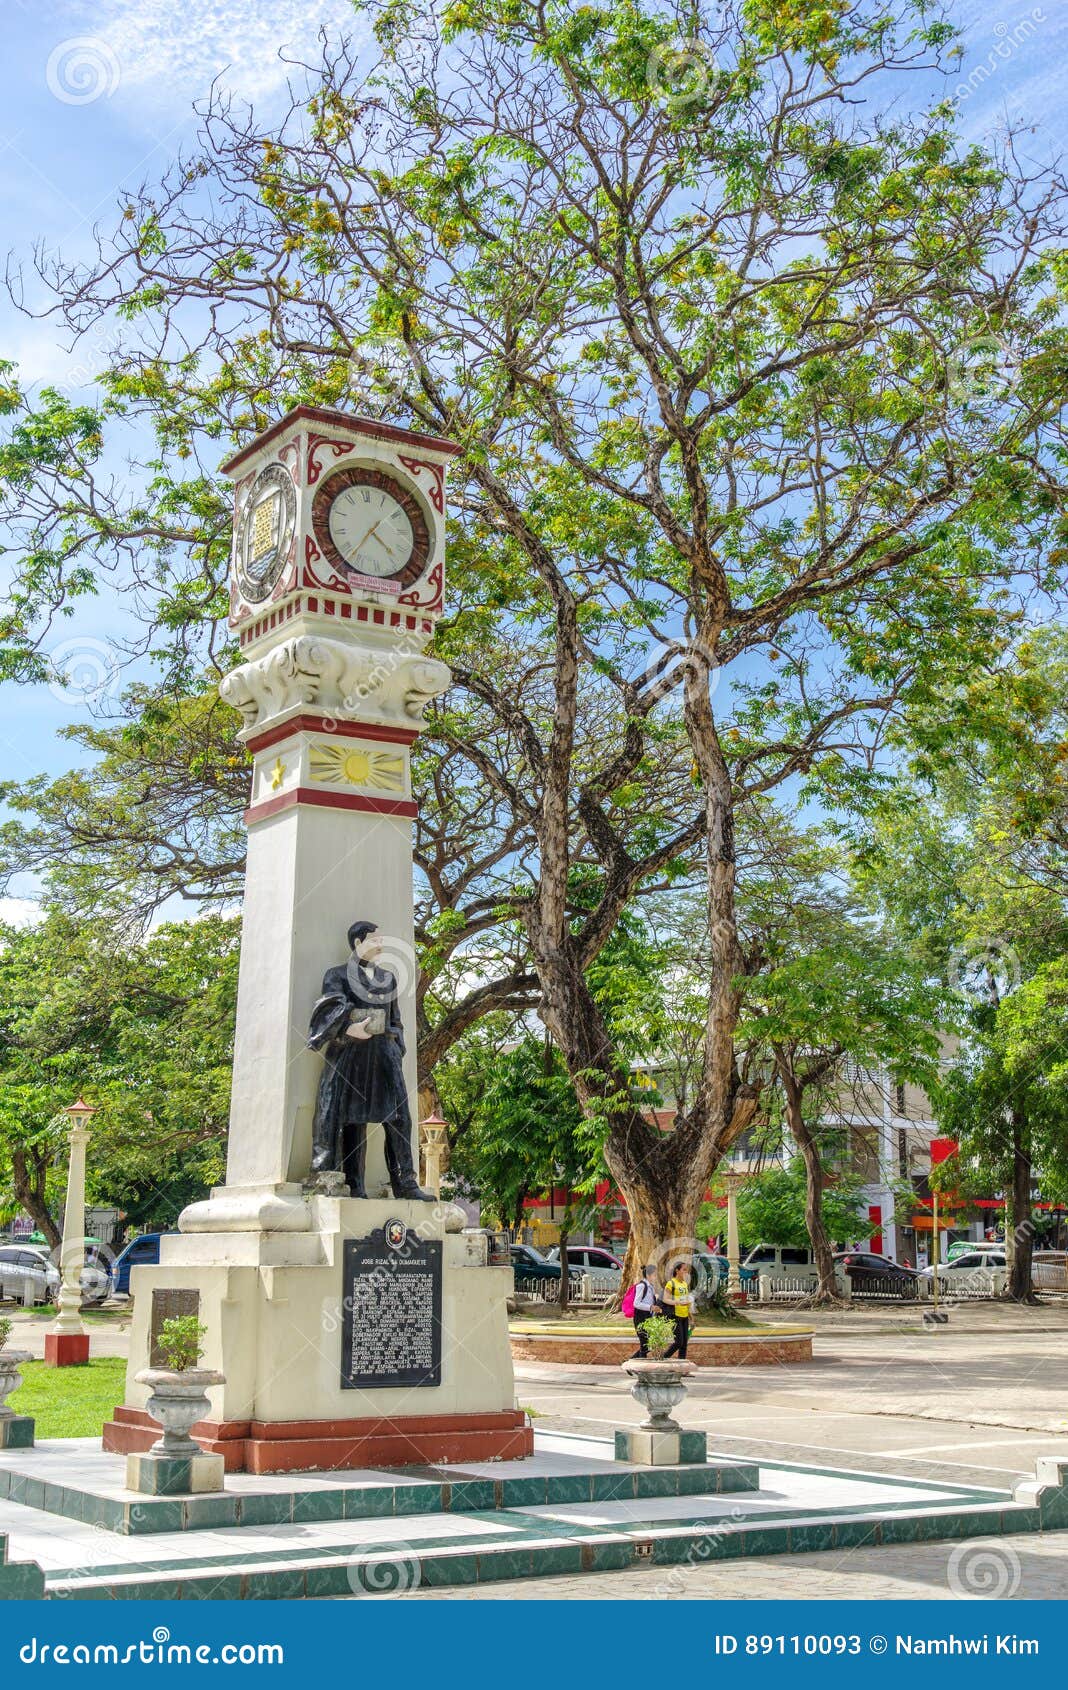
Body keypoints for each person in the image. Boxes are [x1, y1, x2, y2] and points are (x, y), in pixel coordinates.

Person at [308, 918, 433, 1200]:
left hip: (383, 1054)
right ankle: (354, 1186)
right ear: (357, 943)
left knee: (400, 1117)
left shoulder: (388, 978)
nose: (380, 945)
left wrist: (395, 1045)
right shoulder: (336, 975)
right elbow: (330, 1007)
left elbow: (396, 1019)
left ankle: (406, 1183)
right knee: (351, 1120)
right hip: (350, 1052)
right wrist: (348, 1028)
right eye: (375, 940)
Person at [663, 1262, 692, 1360]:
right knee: (678, 1342)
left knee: (684, 1343)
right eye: (684, 1269)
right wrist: (677, 1302)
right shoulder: (671, 1283)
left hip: (685, 1316)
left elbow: (686, 1301)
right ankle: (663, 1358)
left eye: (686, 1270)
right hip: (675, 1315)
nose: (686, 1272)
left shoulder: (684, 1284)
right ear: (677, 1270)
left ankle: (682, 1367)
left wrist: (691, 1317)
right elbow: (665, 1299)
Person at [629, 1266, 658, 1358]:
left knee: (646, 1345)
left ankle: (630, 1362)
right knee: (644, 1344)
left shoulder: (651, 1288)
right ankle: (639, 1367)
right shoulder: (641, 1286)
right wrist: (650, 1307)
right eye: (654, 1275)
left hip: (648, 1317)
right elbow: (636, 1303)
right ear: (648, 1275)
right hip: (640, 1317)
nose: (656, 1277)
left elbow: (652, 1303)